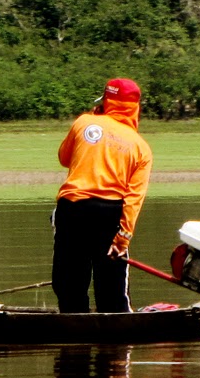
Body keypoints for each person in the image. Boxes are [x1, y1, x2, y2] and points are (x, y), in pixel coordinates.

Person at [52, 78, 152, 314]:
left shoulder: (84, 123)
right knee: (112, 289)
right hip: (110, 214)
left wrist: (94, 121)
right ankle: (116, 332)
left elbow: (64, 158)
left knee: (70, 284)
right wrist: (123, 237)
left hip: (72, 209)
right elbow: (134, 199)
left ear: (106, 102)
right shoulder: (140, 147)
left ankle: (74, 326)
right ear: (135, 108)